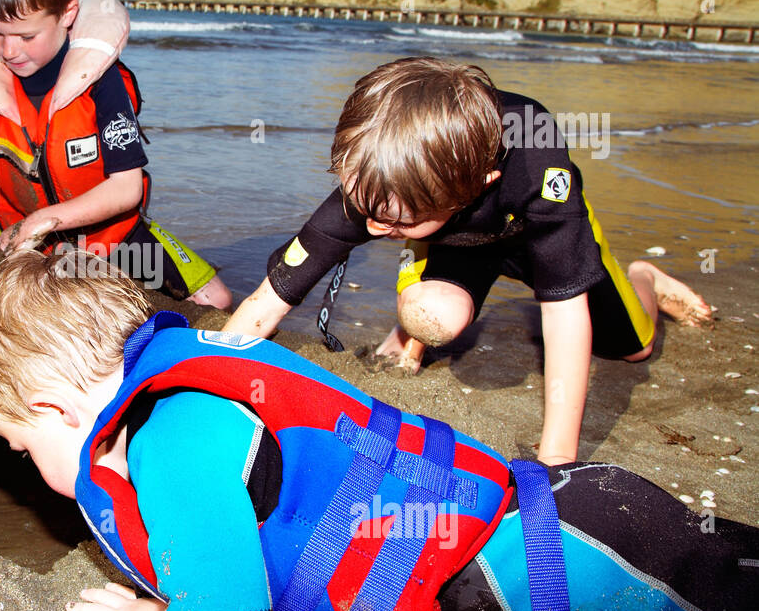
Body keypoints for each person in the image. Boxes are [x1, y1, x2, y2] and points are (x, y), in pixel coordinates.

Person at [0, 250, 759, 611]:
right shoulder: (191, 377)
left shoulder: (167, 450)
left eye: (19, 447)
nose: (30, 469)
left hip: (569, 562)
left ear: (56, 408)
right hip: (562, 515)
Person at [224, 57, 712, 466]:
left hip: (536, 234)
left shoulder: (537, 155)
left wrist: (556, 459)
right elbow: (275, 292)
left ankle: (645, 276)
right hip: (455, 244)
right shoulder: (382, 186)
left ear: (478, 182)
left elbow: (563, 308)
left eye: (393, 223)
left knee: (634, 351)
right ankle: (412, 327)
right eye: (364, 210)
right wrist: (213, 366)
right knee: (432, 317)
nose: (371, 229)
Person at [0, 0, 231, 308]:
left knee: (216, 300)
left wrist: (44, 220)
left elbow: (126, 189)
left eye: (26, 36)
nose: (8, 50)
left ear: (67, 15)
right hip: (33, 250)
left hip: (113, 240)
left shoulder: (101, 81)